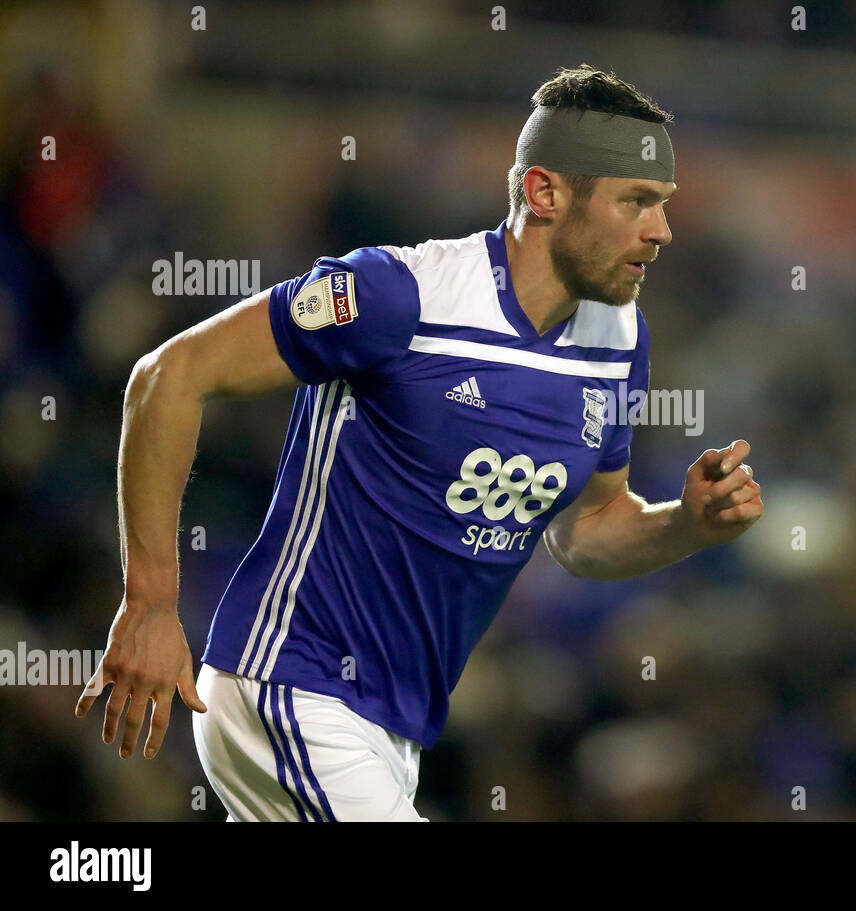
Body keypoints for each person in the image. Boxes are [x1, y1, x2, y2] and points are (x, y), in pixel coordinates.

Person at [75, 64, 763, 821]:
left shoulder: (617, 337)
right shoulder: (398, 296)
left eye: (662, 205)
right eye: (636, 202)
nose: (660, 230)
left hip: (394, 734)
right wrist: (149, 601)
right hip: (289, 689)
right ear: (544, 194)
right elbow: (167, 375)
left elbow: (586, 531)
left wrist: (686, 523)